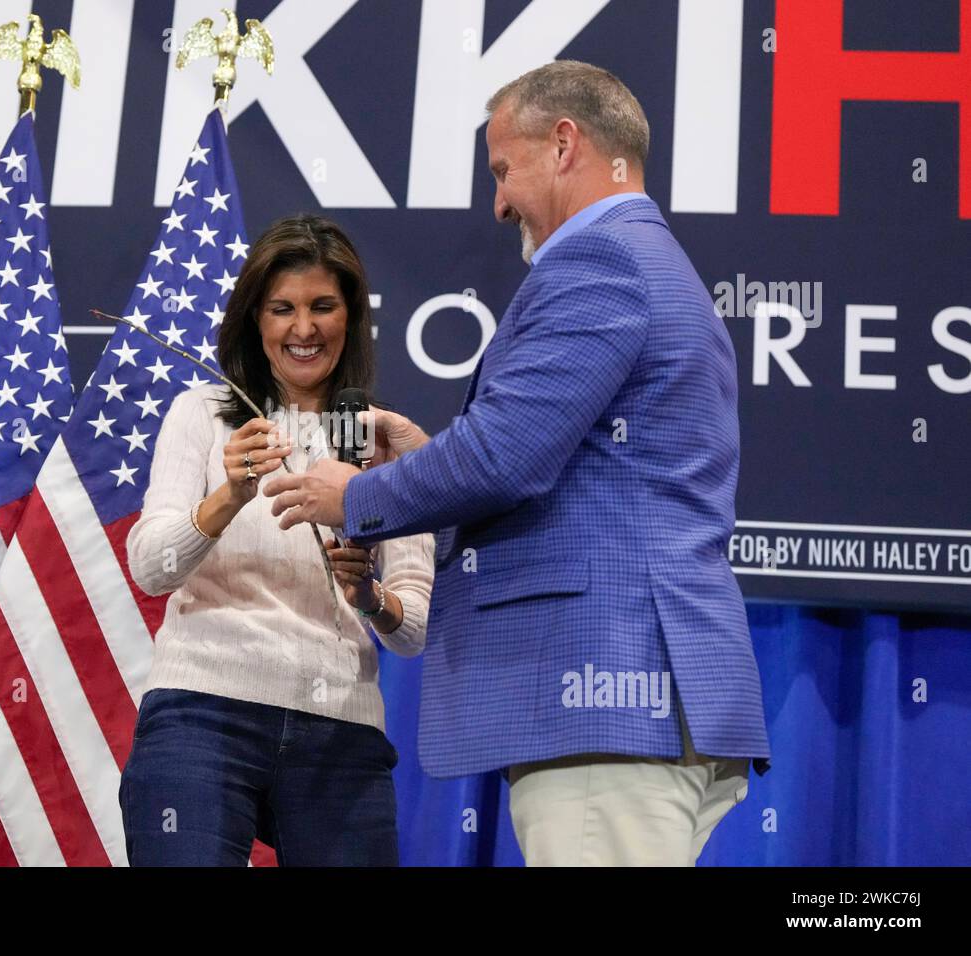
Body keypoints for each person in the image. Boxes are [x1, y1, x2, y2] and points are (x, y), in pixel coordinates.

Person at [263, 61, 771, 866]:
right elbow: (573, 459)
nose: (498, 202)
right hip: (643, 699)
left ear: (564, 143)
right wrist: (435, 463)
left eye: (504, 169)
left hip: (606, 694)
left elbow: (506, 457)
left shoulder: (598, 261)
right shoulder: (649, 260)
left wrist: (356, 493)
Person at [120, 214, 435, 866]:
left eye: (323, 306)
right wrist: (228, 496)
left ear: (350, 317)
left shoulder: (385, 439)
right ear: (254, 320)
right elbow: (152, 569)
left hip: (340, 728)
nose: (303, 329)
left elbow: (415, 629)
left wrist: (368, 595)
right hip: (202, 713)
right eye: (282, 309)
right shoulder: (204, 414)